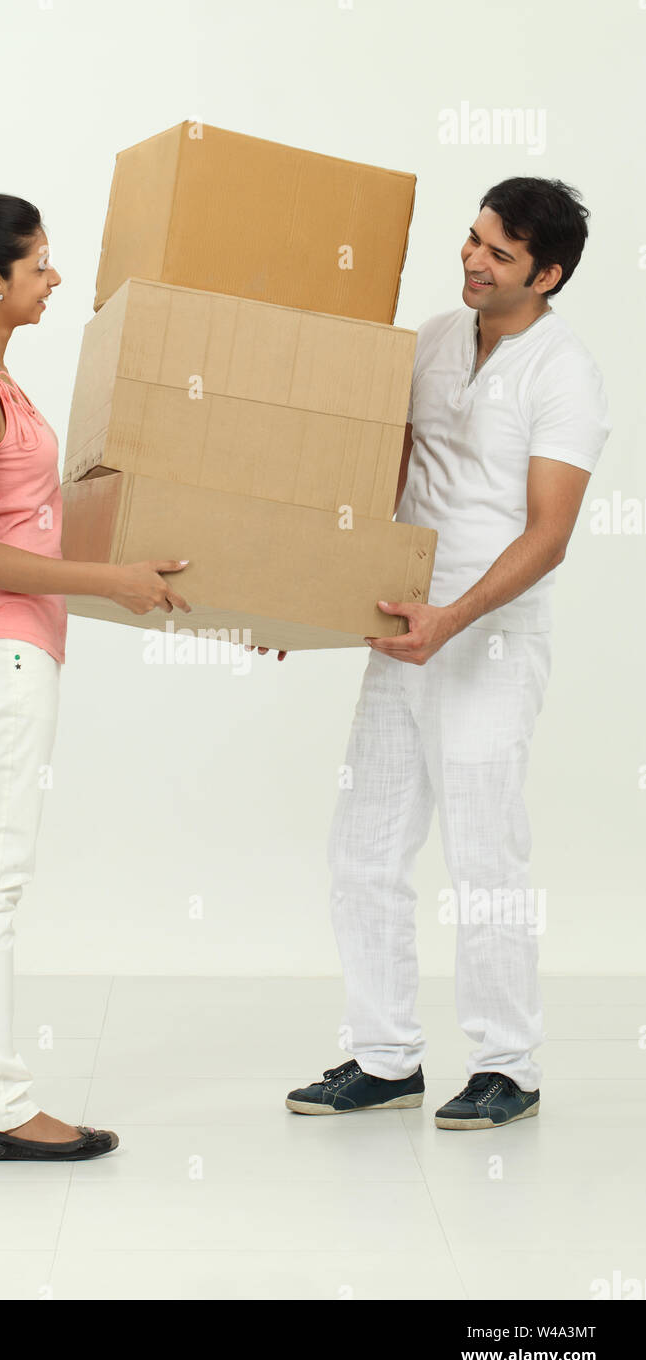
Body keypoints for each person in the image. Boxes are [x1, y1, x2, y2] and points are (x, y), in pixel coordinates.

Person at [284, 177, 611, 1129]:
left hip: (490, 637)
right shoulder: (430, 339)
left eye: (499, 254)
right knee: (364, 848)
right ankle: (384, 1057)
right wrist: (295, 604)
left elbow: (548, 534)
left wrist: (453, 618)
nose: (472, 260)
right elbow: (374, 485)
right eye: (471, 240)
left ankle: (507, 1065)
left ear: (546, 275)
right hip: (400, 628)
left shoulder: (564, 373)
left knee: (483, 853)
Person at [0, 193, 190, 1161]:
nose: (55, 279)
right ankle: (6, 1107)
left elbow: (21, 522)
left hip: (4, 646)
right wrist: (113, 582)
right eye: (41, 265)